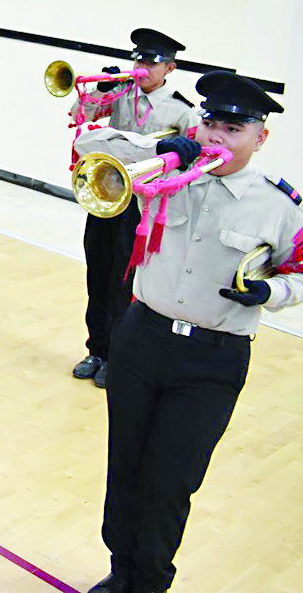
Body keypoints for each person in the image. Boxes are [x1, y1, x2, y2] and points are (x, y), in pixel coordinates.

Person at [75, 72, 303, 593]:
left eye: (233, 129)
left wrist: (272, 295)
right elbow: (86, 143)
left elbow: (301, 270)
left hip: (212, 359)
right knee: (125, 470)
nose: (217, 137)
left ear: (260, 137)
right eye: (211, 124)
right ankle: (120, 571)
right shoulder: (165, 174)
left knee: (169, 483)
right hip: (141, 339)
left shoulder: (280, 205)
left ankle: (150, 582)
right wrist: (160, 145)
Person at [70, 29, 196, 390]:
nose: (142, 67)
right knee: (97, 274)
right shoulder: (122, 93)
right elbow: (79, 112)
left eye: (151, 62)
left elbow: (188, 162)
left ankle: (116, 356)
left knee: (123, 285)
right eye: (138, 59)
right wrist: (101, 90)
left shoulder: (182, 111)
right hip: (107, 194)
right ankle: (95, 349)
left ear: (169, 68)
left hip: (142, 205)